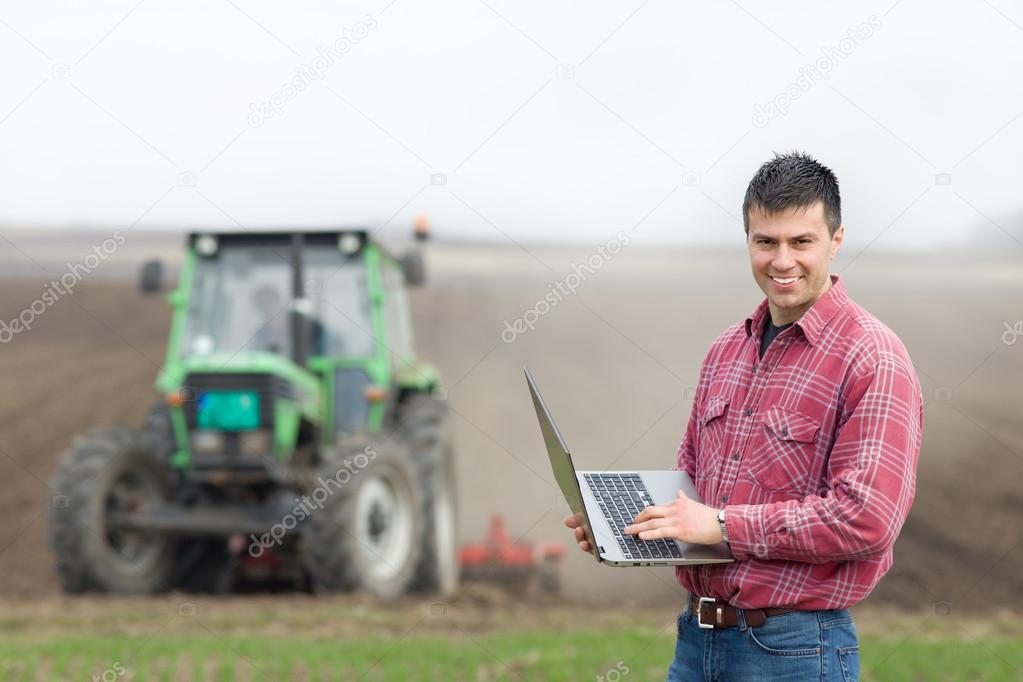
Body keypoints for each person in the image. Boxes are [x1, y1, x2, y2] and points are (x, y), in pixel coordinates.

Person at [565, 152, 923, 681]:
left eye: (801, 242)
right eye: (765, 242)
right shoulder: (725, 352)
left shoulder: (871, 358)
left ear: (836, 240)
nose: (782, 261)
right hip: (696, 644)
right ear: (748, 240)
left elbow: (866, 519)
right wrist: (628, 530)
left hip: (794, 652)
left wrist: (723, 524)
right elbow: (694, 495)